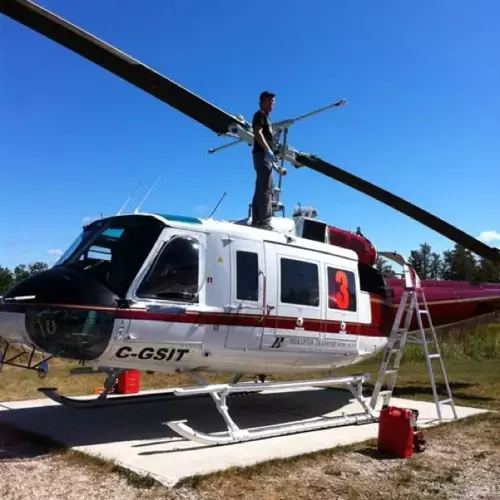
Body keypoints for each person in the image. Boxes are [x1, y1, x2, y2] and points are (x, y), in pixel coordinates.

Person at [251, 91, 276, 230]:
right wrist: (267, 150)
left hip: (265, 156)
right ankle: (264, 222)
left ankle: (256, 219)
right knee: (266, 188)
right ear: (261, 102)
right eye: (268, 101)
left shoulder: (268, 119)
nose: (271, 103)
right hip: (262, 155)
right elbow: (257, 132)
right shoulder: (259, 115)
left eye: (273, 101)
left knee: (262, 186)